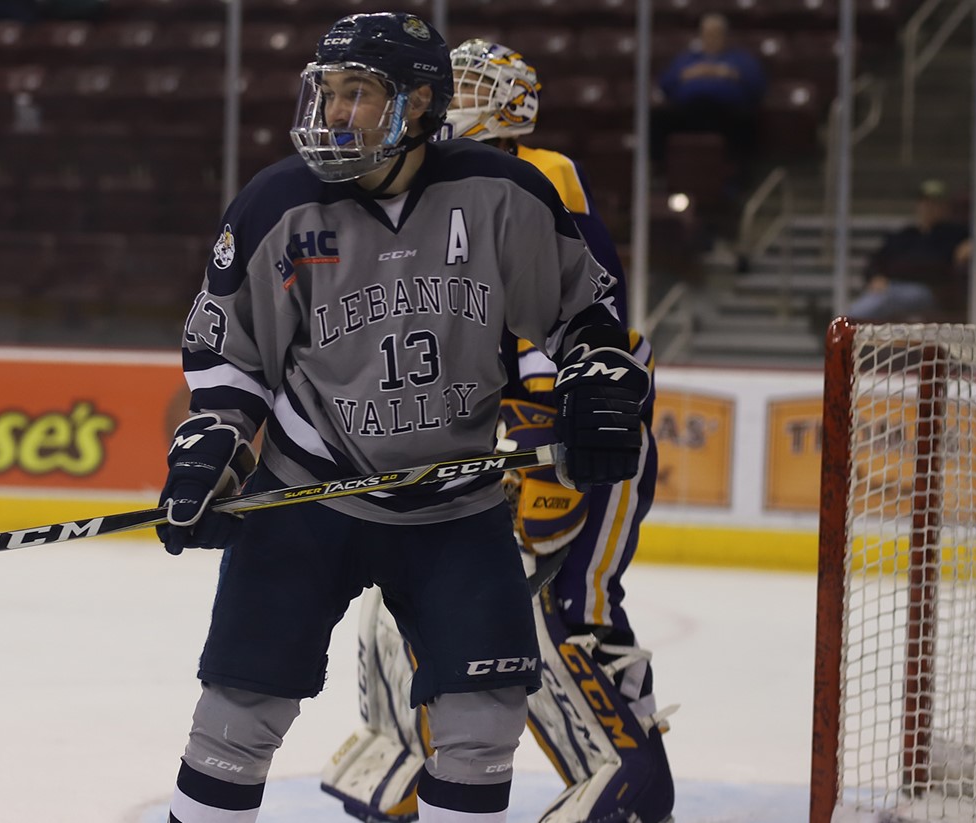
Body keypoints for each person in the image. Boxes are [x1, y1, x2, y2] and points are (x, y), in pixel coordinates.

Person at [157, 13, 650, 823]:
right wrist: (213, 438)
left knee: (483, 722)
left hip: (455, 500)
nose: (335, 111)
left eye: (358, 93)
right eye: (328, 91)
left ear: (418, 102)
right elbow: (228, 356)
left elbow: (581, 314)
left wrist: (594, 375)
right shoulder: (276, 202)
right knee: (236, 717)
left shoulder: (501, 193)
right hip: (307, 491)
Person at [320, 39, 675, 823]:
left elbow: (581, 327)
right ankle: (403, 772)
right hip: (484, 446)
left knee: (559, 611)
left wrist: (544, 428)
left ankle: (628, 783)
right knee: (399, 611)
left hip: (577, 441)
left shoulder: (537, 180)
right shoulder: (424, 193)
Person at [651, 12, 766, 175]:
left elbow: (757, 85)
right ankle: (662, 172)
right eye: (707, 33)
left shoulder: (740, 58)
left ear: (725, 35)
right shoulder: (687, 58)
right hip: (688, 112)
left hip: (726, 113)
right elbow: (665, 83)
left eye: (715, 33)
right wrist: (688, 74)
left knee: (747, 123)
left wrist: (728, 73)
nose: (711, 38)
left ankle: (739, 177)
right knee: (657, 119)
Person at [847, 179, 971, 322]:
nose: (929, 207)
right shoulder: (905, 235)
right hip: (893, 288)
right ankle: (847, 327)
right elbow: (876, 260)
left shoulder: (954, 234)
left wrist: (971, 245)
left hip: (929, 291)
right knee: (881, 295)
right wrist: (876, 276)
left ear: (945, 207)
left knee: (886, 297)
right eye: (925, 203)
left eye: (935, 203)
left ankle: (847, 326)